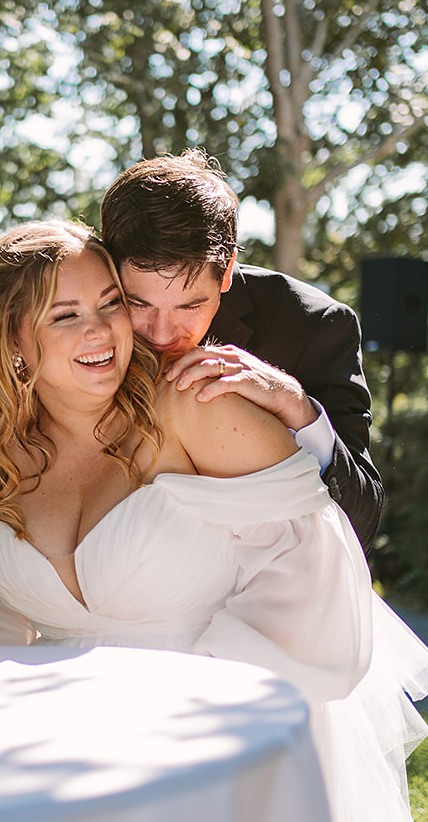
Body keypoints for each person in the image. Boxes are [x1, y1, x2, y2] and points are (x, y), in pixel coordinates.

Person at [0, 222, 428, 822]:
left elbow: (317, 573)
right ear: (13, 339)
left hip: (217, 744)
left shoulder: (194, 406)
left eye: (111, 303)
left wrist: (181, 701)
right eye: (65, 314)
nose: (103, 329)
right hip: (70, 763)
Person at [99, 151, 382, 549]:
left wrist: (295, 406)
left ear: (228, 269)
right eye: (138, 304)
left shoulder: (314, 327)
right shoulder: (84, 316)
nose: (161, 333)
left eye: (189, 306)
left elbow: (362, 522)